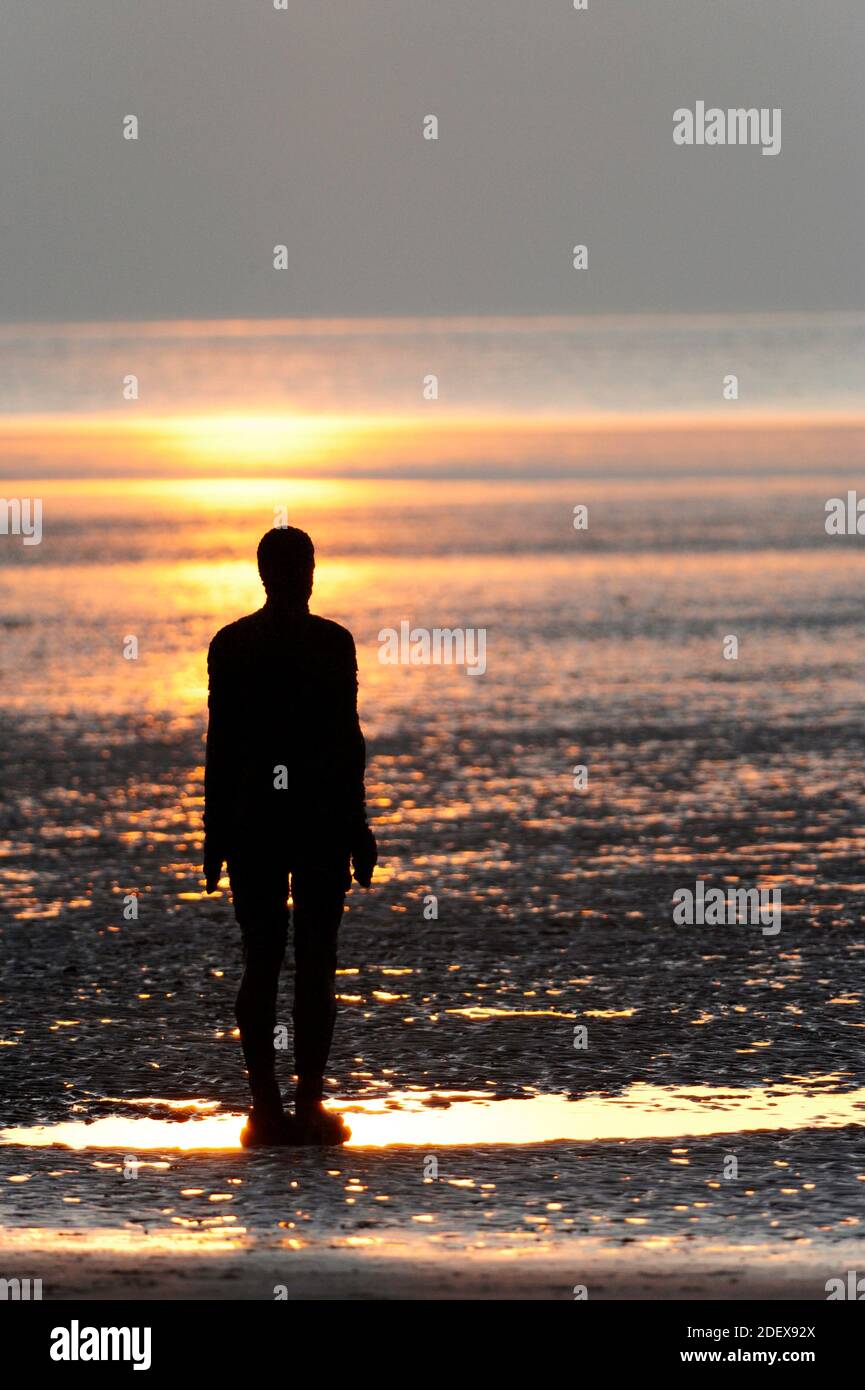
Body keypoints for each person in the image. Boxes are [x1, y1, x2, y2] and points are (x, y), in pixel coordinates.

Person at [203, 526, 377, 1146]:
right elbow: (345, 741)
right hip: (313, 820)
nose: (305, 575)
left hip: (265, 822)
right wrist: (357, 824)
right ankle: (292, 1106)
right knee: (306, 963)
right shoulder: (328, 643)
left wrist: (214, 832)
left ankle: (277, 1107)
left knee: (272, 960)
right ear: (295, 573)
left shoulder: (235, 644)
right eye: (301, 565)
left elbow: (221, 749)